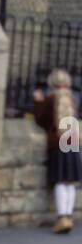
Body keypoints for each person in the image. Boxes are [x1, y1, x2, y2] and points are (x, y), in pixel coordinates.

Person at [32, 68, 81, 233]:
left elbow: (41, 120)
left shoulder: (50, 100)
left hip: (58, 143)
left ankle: (62, 218)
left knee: (61, 181)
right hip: (72, 142)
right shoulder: (73, 99)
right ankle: (68, 215)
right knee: (70, 182)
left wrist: (38, 101)